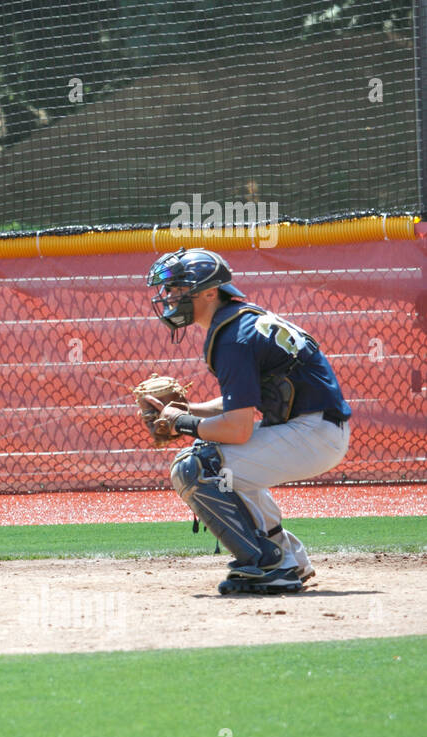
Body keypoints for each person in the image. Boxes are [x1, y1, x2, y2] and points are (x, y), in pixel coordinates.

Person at [143, 247, 352, 595]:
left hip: (312, 433)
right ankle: (287, 559)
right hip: (315, 428)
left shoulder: (233, 337)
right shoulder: (241, 321)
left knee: (196, 467)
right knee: (217, 459)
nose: (171, 297)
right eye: (172, 289)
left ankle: (268, 565)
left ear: (210, 292)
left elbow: (238, 428)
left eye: (181, 289)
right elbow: (239, 407)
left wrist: (181, 421)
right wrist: (190, 411)